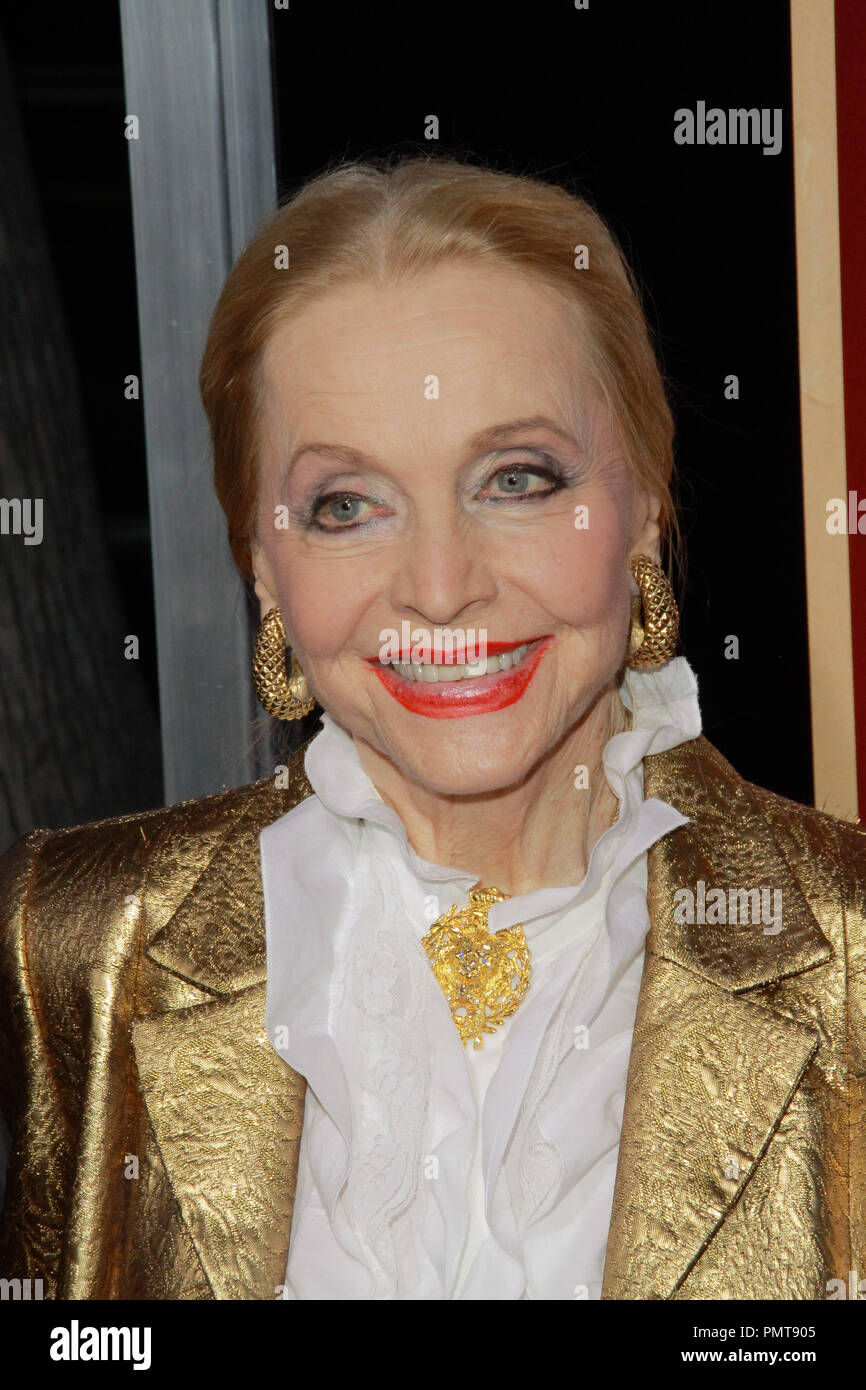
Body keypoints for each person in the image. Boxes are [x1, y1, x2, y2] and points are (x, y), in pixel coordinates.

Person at [1, 154, 864, 1301]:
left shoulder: (849, 953)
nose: (441, 585)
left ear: (642, 511)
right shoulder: (78, 937)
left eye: (515, 478)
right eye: (345, 505)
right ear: (264, 567)